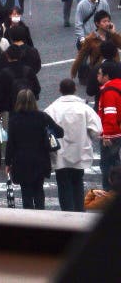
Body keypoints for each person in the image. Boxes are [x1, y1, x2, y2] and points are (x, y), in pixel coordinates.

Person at [44, 79, 102, 212]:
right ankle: (79, 210)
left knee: (63, 184)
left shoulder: (51, 109)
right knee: (78, 182)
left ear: (60, 90)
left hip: (60, 154)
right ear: (75, 89)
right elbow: (97, 130)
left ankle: (67, 213)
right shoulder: (84, 108)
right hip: (79, 152)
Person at [6, 89, 65, 210]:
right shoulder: (42, 117)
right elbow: (60, 132)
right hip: (40, 159)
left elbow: (10, 144)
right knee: (39, 190)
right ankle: (40, 214)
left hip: (21, 160)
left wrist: (7, 162)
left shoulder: (14, 119)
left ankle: (29, 217)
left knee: (26, 192)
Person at [97, 64, 121, 189]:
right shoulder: (118, 86)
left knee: (107, 164)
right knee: (115, 161)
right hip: (118, 130)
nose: (97, 76)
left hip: (112, 133)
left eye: (99, 74)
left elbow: (110, 114)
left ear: (106, 76)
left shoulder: (109, 91)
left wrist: (106, 134)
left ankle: (109, 191)